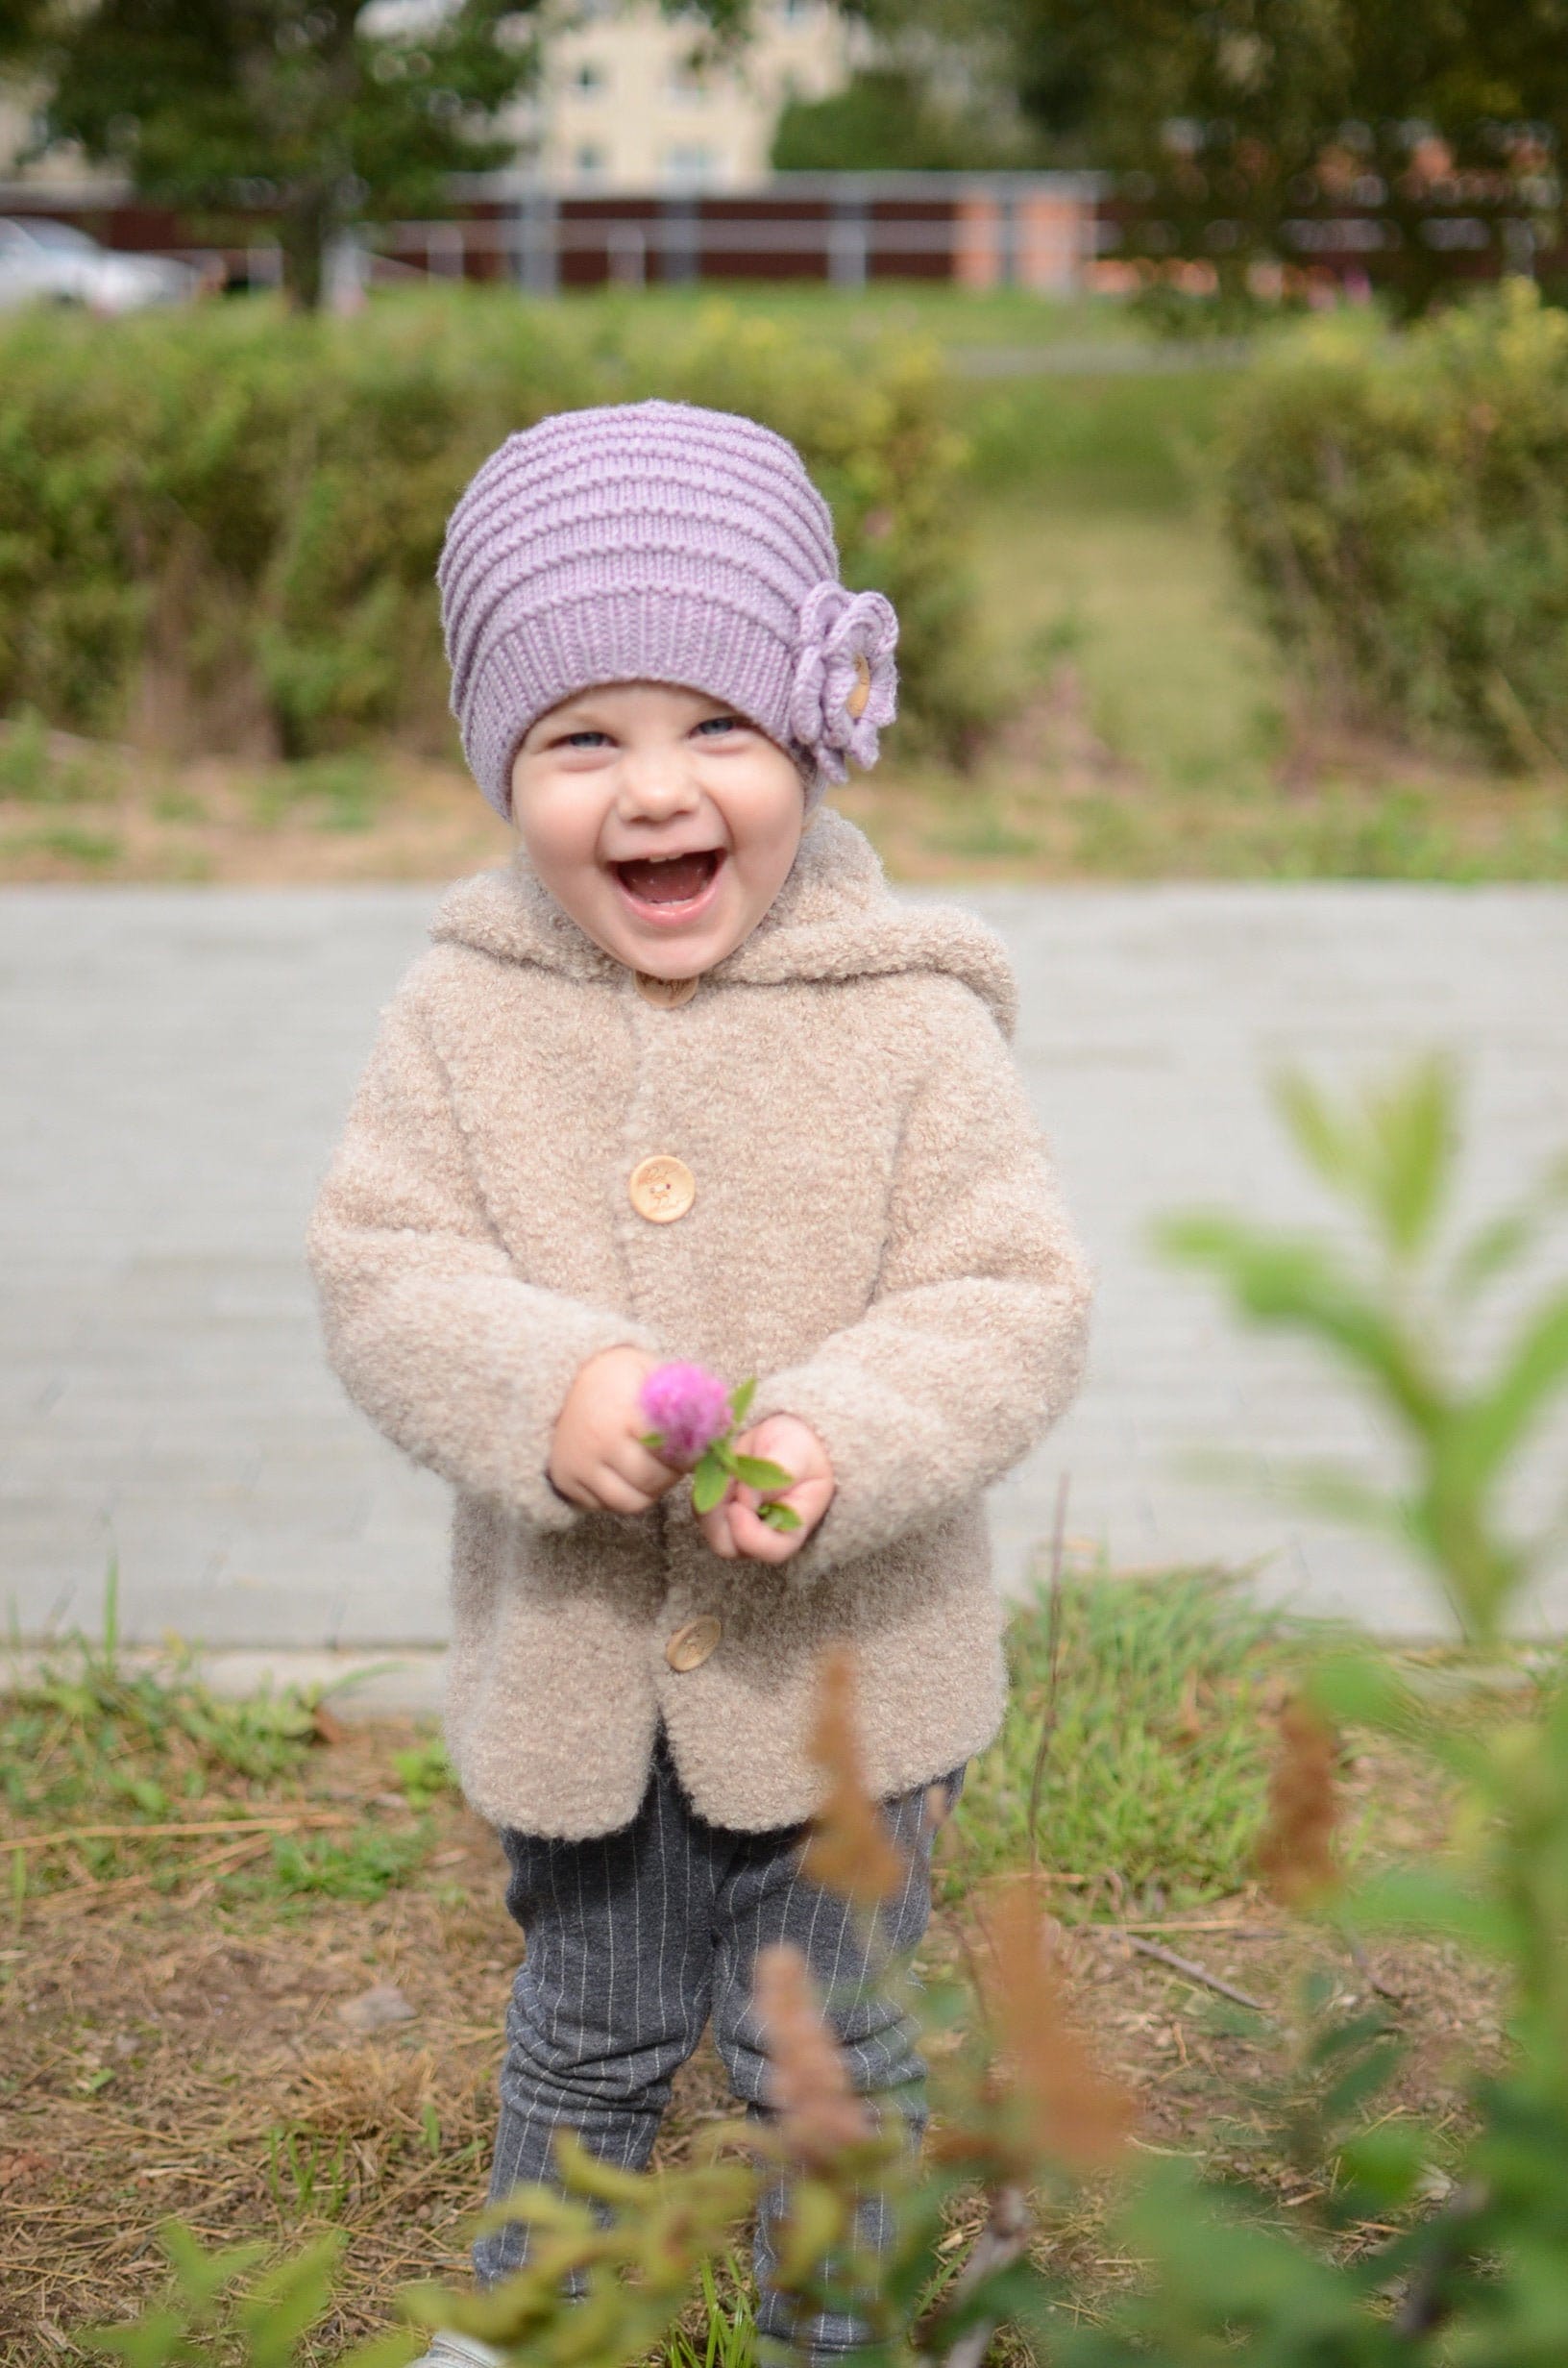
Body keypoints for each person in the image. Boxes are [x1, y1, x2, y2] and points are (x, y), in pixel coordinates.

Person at [306, 399, 1092, 2364]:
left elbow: (1007, 1292)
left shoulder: (910, 1017)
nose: (656, 792)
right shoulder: (463, 1009)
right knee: (583, 2017)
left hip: (848, 1688)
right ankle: (541, 2311)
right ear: (503, 763)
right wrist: (545, 1379)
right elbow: (387, 1261)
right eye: (584, 739)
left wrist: (842, 1430)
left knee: (817, 2036)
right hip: (579, 1670)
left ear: (813, 731)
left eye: (717, 727)